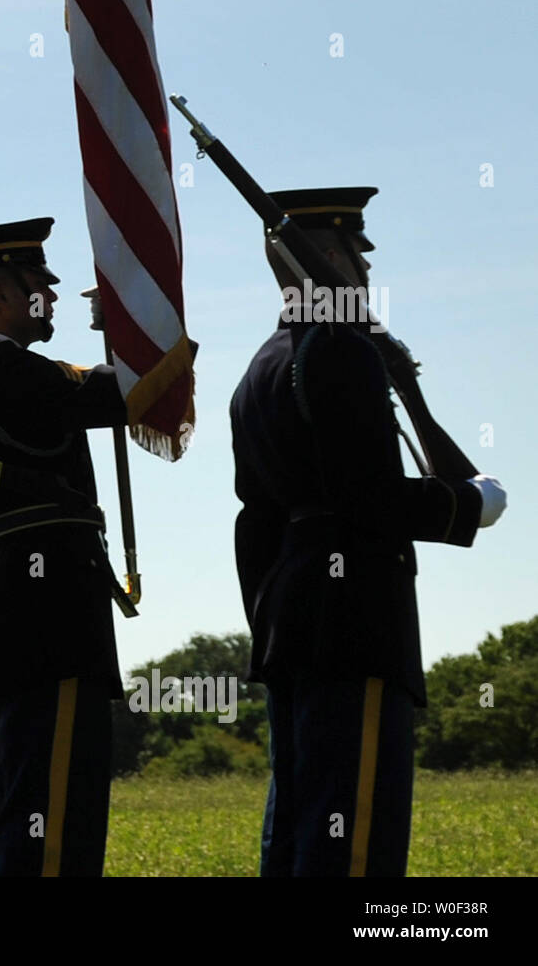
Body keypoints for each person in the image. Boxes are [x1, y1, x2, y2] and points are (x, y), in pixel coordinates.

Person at [230, 187, 508, 876]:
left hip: (290, 626)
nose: (366, 270)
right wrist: (465, 507)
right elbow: (369, 499)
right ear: (326, 255)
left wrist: (271, 628)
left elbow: (254, 524)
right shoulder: (339, 350)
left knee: (298, 824)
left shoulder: (258, 368)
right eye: (357, 253)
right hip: (356, 621)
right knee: (353, 839)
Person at [0, 217, 131, 876]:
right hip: (54, 628)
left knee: (28, 825)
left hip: (16, 630)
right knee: (55, 836)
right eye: (38, 284)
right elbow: (131, 391)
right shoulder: (6, 373)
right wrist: (138, 324)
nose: (50, 297)